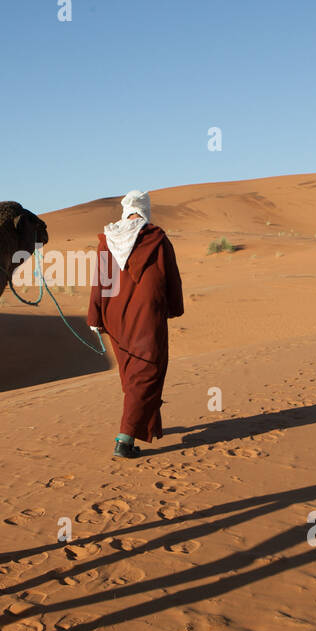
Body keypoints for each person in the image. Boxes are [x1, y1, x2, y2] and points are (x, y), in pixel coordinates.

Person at [88, 190, 184, 459]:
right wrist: (174, 308)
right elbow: (171, 278)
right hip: (146, 317)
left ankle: (149, 426)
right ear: (145, 210)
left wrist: (95, 318)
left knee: (133, 372)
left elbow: (101, 281)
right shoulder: (157, 239)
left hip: (115, 318)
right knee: (147, 373)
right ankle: (125, 439)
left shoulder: (108, 239)